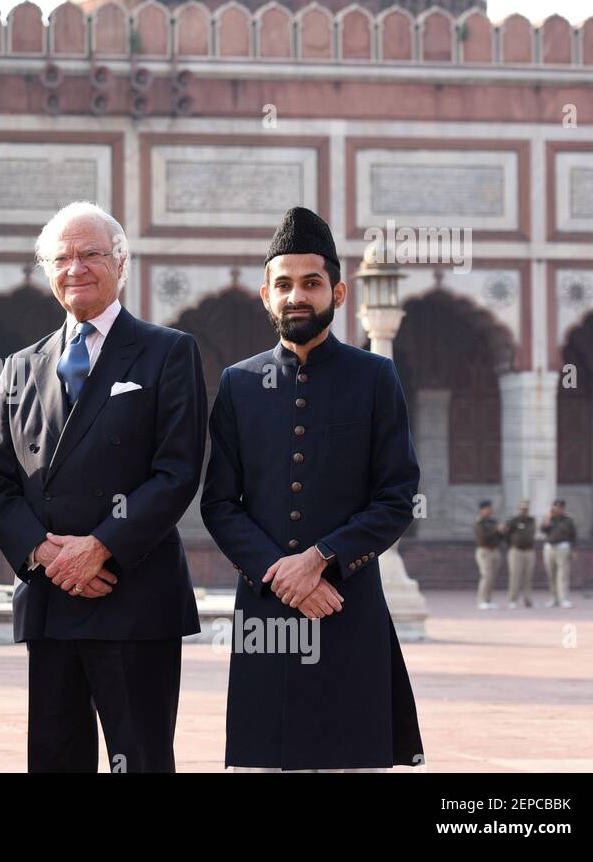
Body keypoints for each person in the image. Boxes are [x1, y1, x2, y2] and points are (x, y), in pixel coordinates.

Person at [0, 201, 207, 773]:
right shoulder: (21, 366)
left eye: (90, 254)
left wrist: (100, 546)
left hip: (133, 593)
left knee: (143, 760)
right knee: (55, 760)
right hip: (53, 595)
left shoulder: (168, 351)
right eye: (61, 257)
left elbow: (177, 470)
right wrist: (42, 550)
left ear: (121, 263)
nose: (75, 268)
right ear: (47, 271)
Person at [200, 206, 424, 772]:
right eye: (284, 284)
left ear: (339, 292)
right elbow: (220, 505)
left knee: (351, 755)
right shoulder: (239, 384)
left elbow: (396, 496)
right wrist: (283, 573)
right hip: (266, 607)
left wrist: (322, 559)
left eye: (311, 283)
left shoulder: (374, 378)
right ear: (265, 295)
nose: (297, 295)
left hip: (347, 602)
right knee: (266, 759)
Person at [540, 498, 577, 608]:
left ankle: (563, 599)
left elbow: (573, 536)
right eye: (556, 507)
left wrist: (573, 550)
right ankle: (554, 598)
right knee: (551, 574)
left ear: (563, 509)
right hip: (549, 548)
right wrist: (547, 519)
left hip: (563, 548)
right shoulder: (549, 518)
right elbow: (543, 530)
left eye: (560, 508)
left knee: (563, 574)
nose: (558, 509)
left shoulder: (568, 520)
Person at [504, 499, 536, 608]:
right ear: (518, 509)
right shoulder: (513, 521)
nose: (524, 511)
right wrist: (512, 545)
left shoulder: (532, 520)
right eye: (522, 509)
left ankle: (528, 600)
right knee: (515, 576)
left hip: (529, 551)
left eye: (526, 509)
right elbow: (506, 535)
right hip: (516, 551)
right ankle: (513, 600)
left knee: (528, 577)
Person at [474, 499, 503, 609]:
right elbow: (483, 537)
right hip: (484, 551)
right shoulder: (479, 522)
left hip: (494, 550)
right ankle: (481, 600)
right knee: (486, 576)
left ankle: (488, 600)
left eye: (490, 508)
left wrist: (501, 532)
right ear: (482, 510)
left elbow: (499, 537)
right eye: (487, 508)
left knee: (492, 577)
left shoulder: (494, 521)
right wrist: (496, 530)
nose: (490, 510)